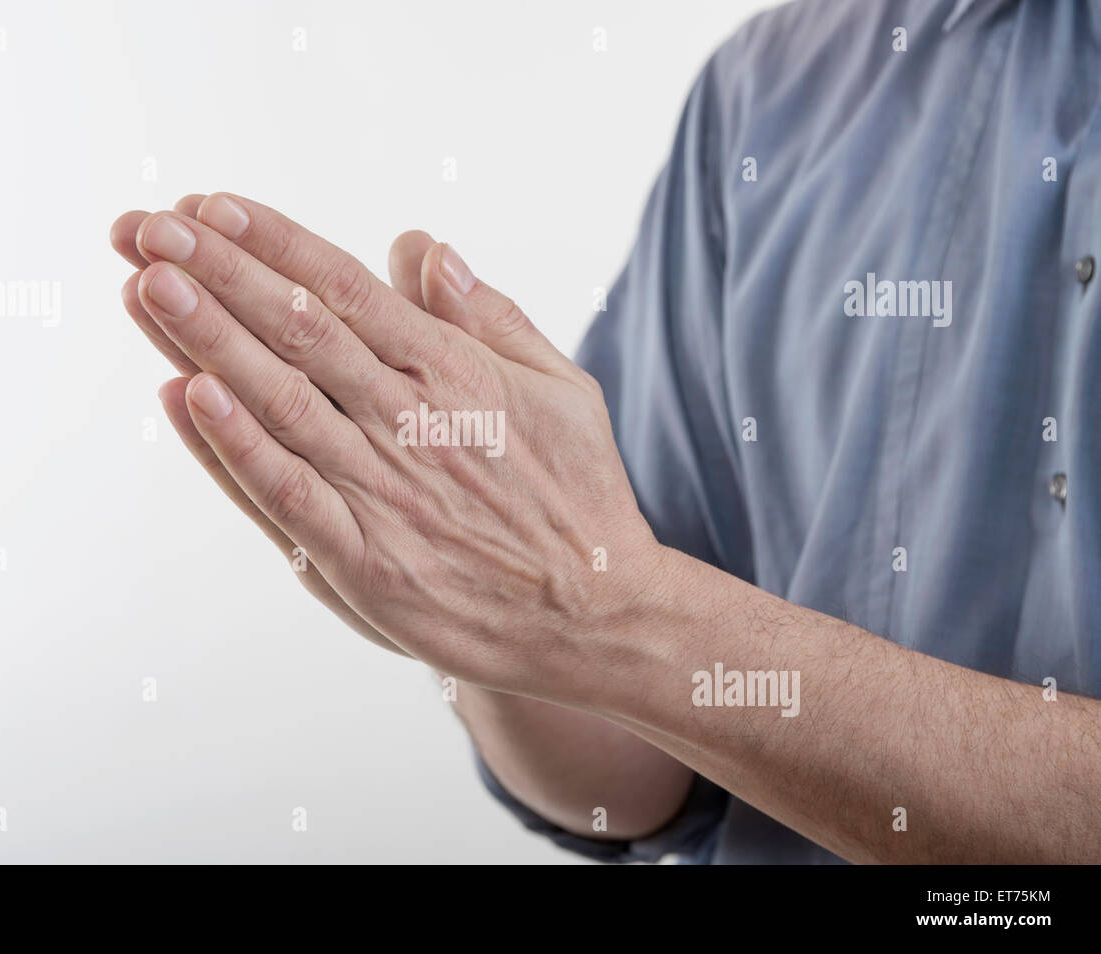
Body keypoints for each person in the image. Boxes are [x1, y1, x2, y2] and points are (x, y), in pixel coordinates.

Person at [109, 0, 1101, 864]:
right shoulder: (769, 93)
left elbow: (623, 619)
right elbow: (642, 778)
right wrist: (478, 613)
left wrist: (608, 613)